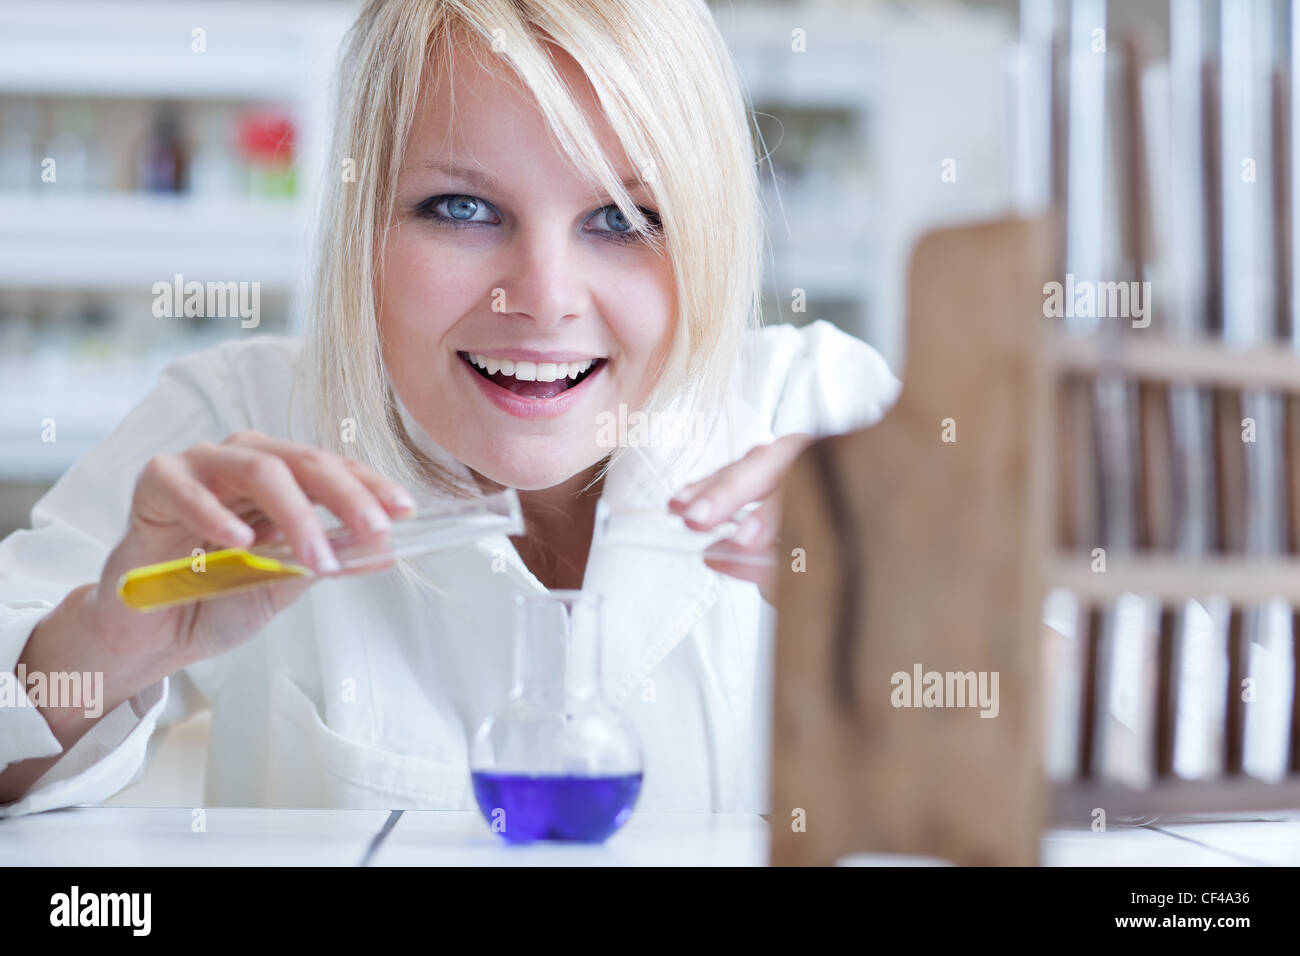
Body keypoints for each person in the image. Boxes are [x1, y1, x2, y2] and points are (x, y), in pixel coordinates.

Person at [0, 0, 899, 816]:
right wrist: (110, 642)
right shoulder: (245, 421)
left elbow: (1031, 715)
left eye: (623, 218)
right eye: (461, 207)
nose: (543, 300)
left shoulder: (824, 415)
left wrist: (925, 609)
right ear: (363, 228)